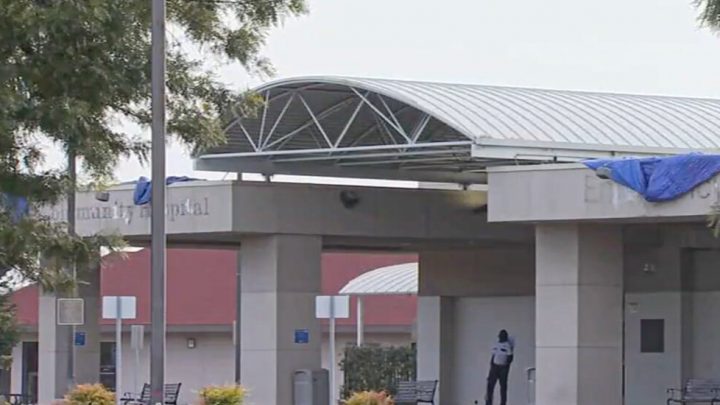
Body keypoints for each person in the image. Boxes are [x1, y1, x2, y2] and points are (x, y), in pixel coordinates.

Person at [485, 329, 514, 405]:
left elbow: (510, 357)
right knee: (490, 386)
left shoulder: (507, 346)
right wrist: (491, 367)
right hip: (495, 367)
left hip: (503, 368)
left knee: (503, 387)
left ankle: (503, 403)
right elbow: (493, 356)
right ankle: (488, 402)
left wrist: (506, 365)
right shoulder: (495, 344)